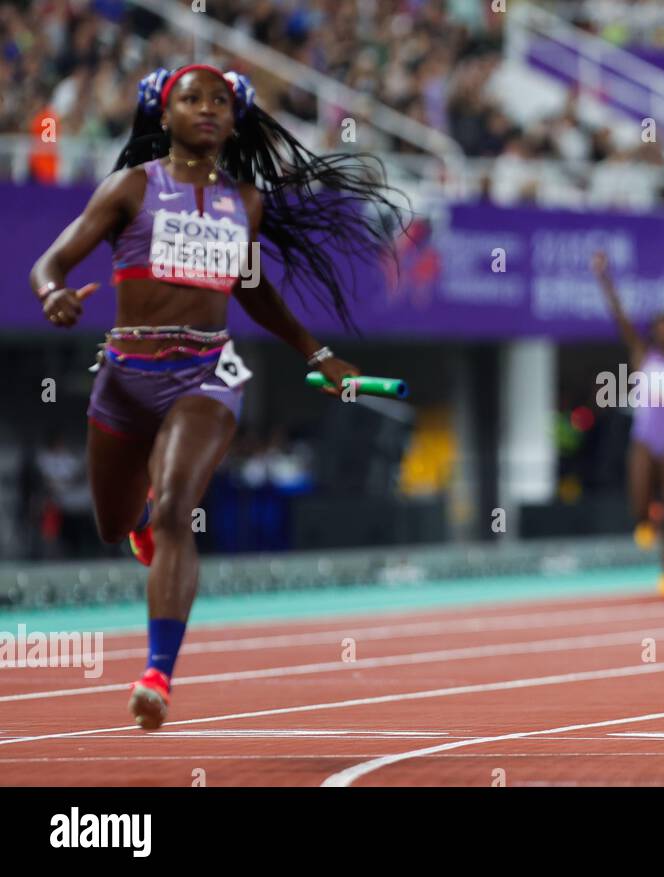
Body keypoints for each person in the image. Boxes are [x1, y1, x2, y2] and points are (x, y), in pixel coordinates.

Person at [29, 64, 406, 729]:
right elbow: (50, 262)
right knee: (115, 525)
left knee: (178, 508)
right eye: (191, 99)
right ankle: (141, 524)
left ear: (235, 121)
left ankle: (156, 673)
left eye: (220, 102)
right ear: (163, 115)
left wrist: (316, 352)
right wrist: (53, 293)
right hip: (124, 374)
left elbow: (251, 286)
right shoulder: (129, 187)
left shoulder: (246, 202)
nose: (207, 109)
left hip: (203, 373)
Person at [592, 251, 664, 599]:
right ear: (654, 332)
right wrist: (605, 278)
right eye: (660, 327)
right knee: (638, 498)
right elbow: (620, 317)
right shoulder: (641, 354)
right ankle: (646, 518)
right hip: (645, 439)